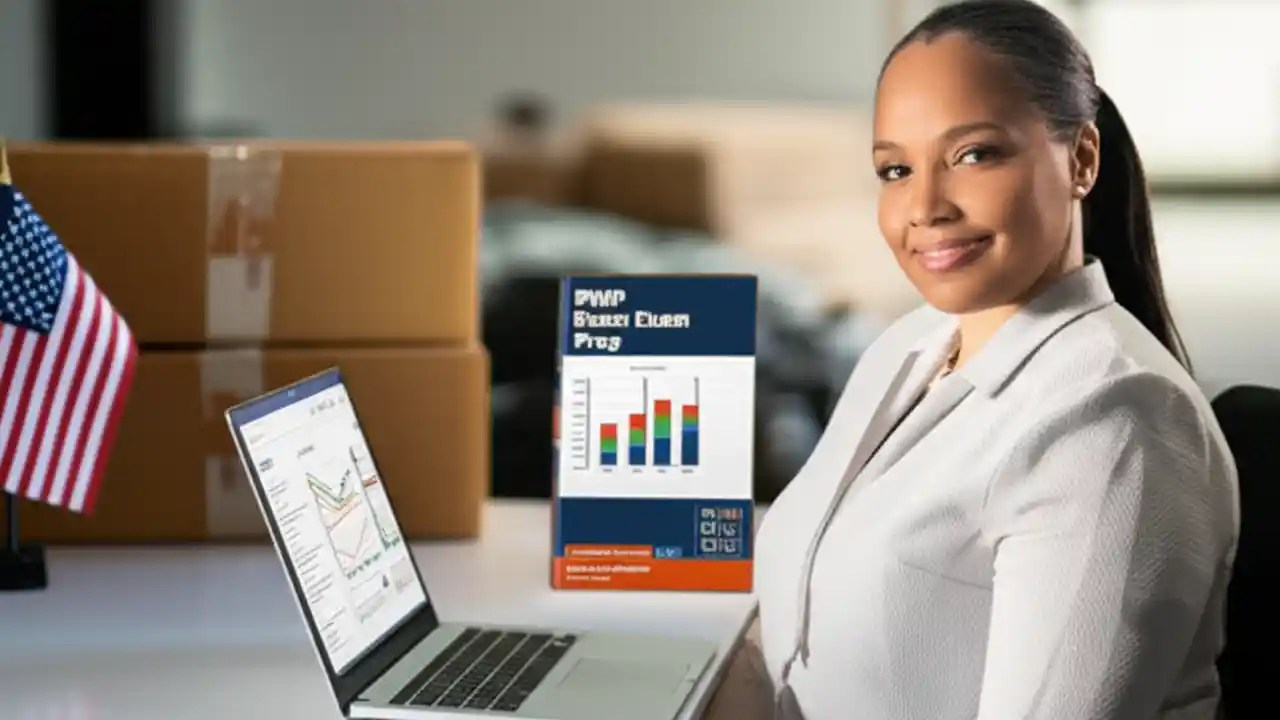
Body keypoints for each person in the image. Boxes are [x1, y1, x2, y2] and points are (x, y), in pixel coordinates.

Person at [739, 1, 1241, 719]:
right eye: (894, 169)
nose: (925, 205)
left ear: (1083, 160)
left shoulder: (1115, 421)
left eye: (974, 154)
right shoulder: (911, 344)